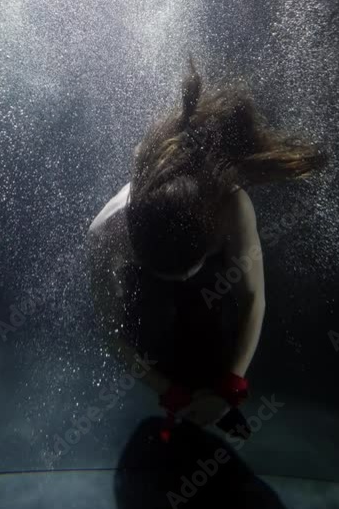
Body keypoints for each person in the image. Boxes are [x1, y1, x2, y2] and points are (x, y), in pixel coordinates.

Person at [87, 59, 324, 439]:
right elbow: (110, 330)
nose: (180, 280)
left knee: (211, 310)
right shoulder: (106, 233)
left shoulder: (230, 206)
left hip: (202, 256)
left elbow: (252, 298)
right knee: (146, 322)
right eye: (173, 274)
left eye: (187, 271)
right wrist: (170, 392)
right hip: (145, 281)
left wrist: (230, 385)